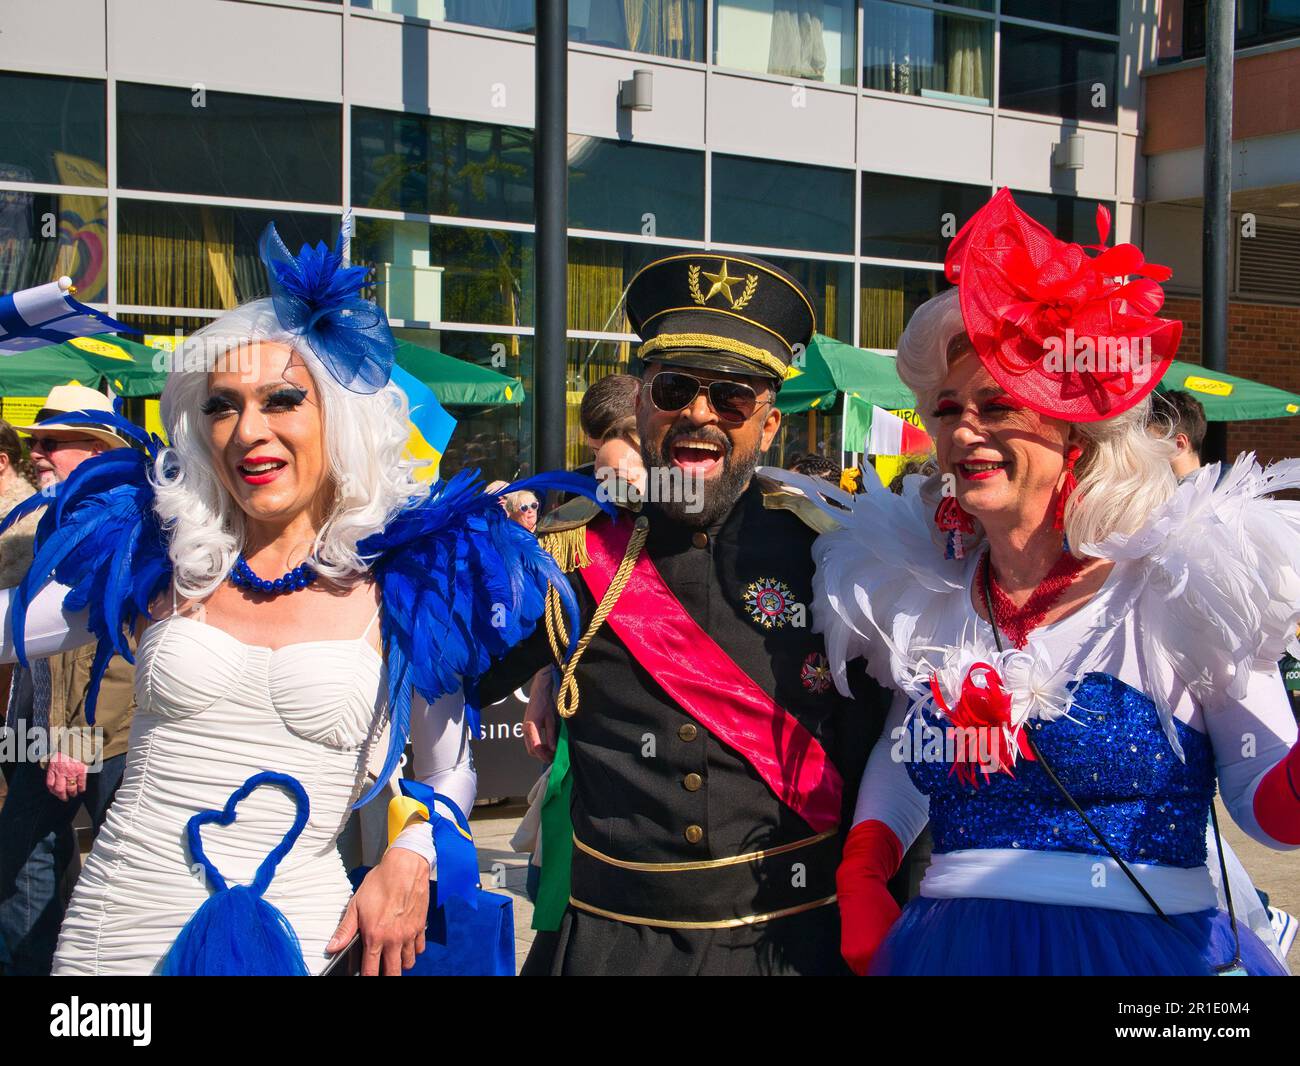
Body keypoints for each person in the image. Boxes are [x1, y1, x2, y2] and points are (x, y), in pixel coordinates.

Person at [0, 223, 576, 975]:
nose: (248, 432)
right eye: (221, 406)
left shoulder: (405, 589)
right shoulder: (157, 561)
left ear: (342, 417)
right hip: (119, 938)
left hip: (306, 936)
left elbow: (447, 772)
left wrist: (411, 850)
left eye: (281, 400)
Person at [777, 188, 1300, 976]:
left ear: (1078, 439)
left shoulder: (1181, 584)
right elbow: (904, 759)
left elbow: (1267, 803)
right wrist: (864, 869)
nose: (963, 430)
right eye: (948, 409)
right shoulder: (925, 591)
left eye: (997, 405)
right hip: (946, 952)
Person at [481, 252, 887, 976]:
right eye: (674, 388)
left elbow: (889, 749)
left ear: (768, 423)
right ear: (642, 405)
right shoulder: (570, 553)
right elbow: (435, 678)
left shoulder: (834, 555)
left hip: (789, 945)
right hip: (612, 947)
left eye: (731, 397)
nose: (699, 413)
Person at [0, 388, 139, 976]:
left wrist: (68, 736)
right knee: (23, 864)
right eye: (34, 441)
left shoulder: (116, 513)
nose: (37, 454)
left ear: (97, 449)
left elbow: (88, 647)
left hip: (98, 735)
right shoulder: (58, 512)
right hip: (44, 728)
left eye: (52, 443)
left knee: (116, 880)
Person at [1158, 388, 1208, 483]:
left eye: (1151, 441)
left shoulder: (1183, 494)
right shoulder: (1214, 486)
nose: (1144, 447)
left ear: (1179, 444)